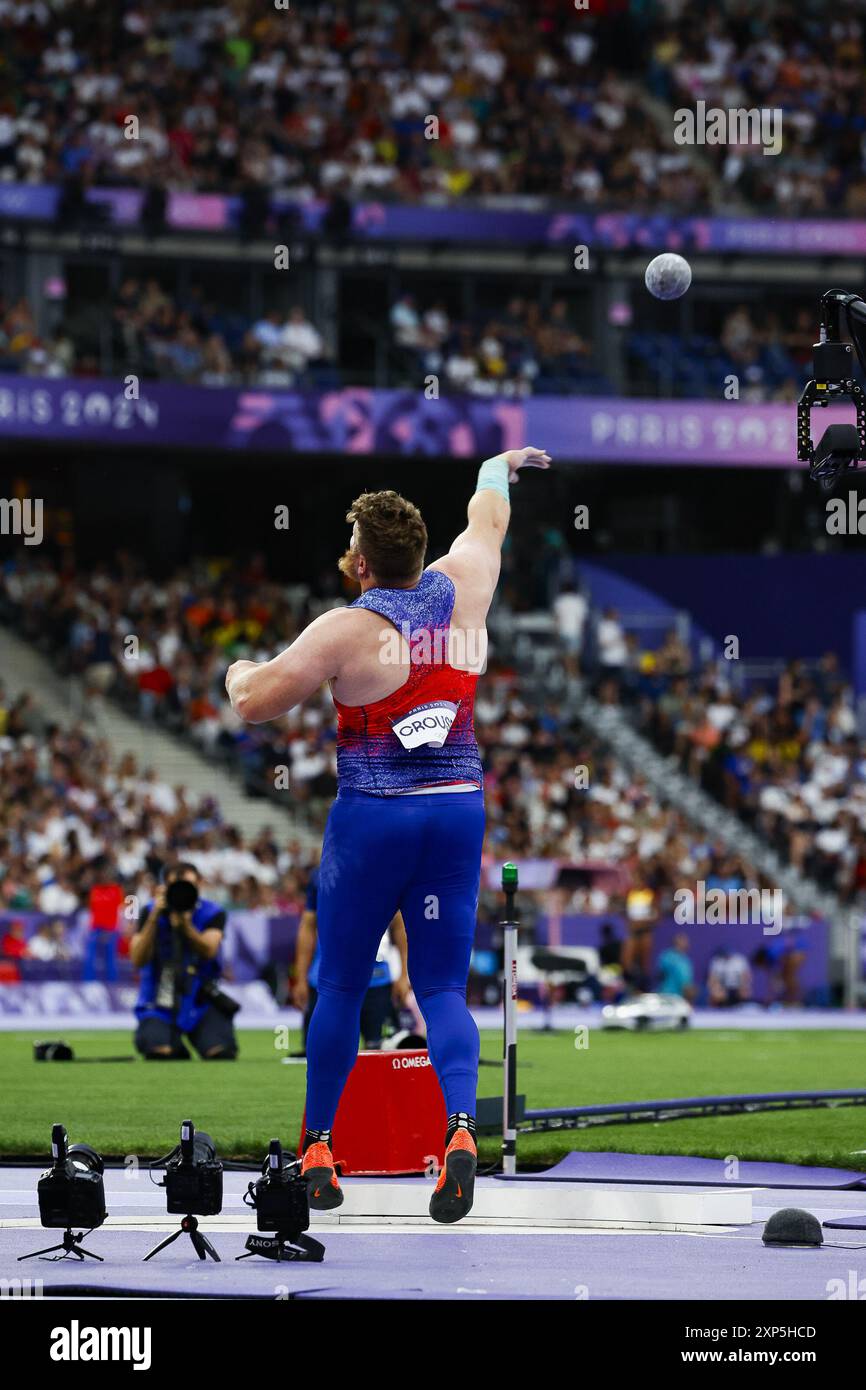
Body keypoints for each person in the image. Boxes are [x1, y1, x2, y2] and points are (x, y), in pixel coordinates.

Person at [226, 444, 550, 1222]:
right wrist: (497, 467)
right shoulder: (465, 585)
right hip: (458, 808)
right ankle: (463, 1132)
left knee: (337, 983)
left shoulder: (346, 630)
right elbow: (490, 517)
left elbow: (254, 704)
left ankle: (319, 1145)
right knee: (441, 987)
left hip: (373, 817)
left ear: (361, 564)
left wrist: (237, 669)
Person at [293, 866, 410, 1051]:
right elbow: (308, 927)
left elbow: (399, 925)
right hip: (327, 980)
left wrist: (404, 975)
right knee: (319, 1051)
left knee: (381, 1051)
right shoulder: (322, 876)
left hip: (376, 980)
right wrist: (300, 978)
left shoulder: (386, 871)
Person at [130, 863, 238, 1060]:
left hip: (200, 999)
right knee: (160, 1053)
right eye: (175, 886)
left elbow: (209, 950)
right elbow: (137, 958)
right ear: (164, 888)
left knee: (221, 1053)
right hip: (160, 998)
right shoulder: (151, 911)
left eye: (188, 886)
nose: (182, 892)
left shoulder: (212, 912)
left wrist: (185, 925)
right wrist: (154, 918)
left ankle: (200, 1040)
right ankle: (172, 1045)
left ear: (199, 884)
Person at [82, 860, 123, 983]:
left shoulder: (116, 890)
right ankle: (88, 982)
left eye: (108, 874)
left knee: (110, 957)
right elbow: (92, 909)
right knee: (90, 956)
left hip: (111, 929)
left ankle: (112, 983)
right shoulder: (95, 890)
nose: (105, 877)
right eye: (103, 874)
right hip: (96, 928)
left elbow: (120, 909)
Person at [656, 932, 695, 1000]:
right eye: (682, 940)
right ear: (676, 942)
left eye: (685, 941)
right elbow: (660, 974)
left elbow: (687, 983)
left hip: (681, 998)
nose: (685, 943)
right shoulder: (667, 956)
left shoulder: (686, 961)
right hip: (666, 996)